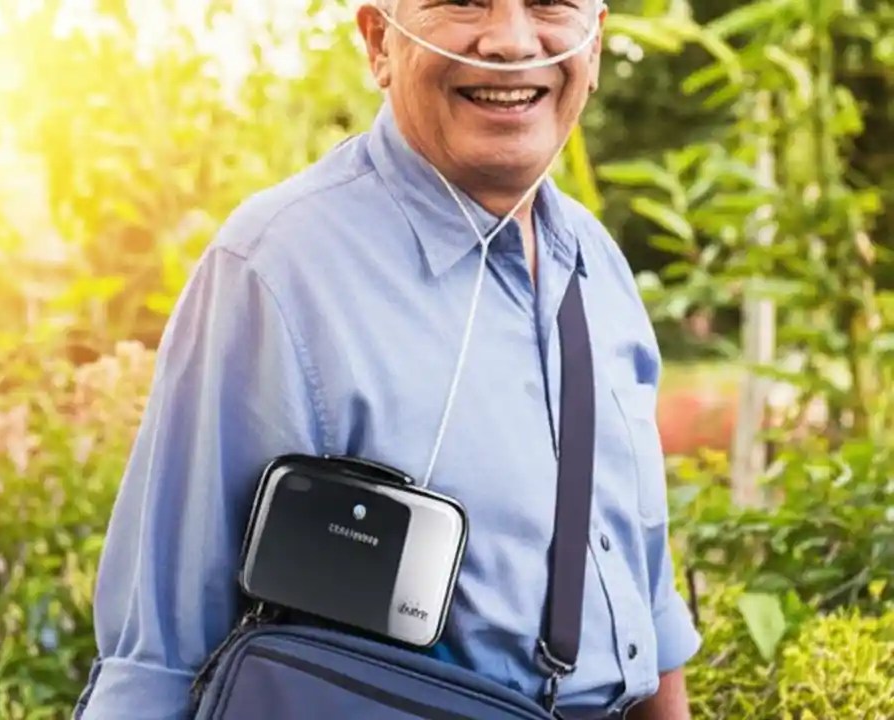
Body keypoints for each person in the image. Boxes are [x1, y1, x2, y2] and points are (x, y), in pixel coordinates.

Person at [73, 0, 701, 717]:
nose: (509, 39)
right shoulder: (279, 267)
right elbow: (158, 658)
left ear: (593, 44)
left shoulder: (597, 265)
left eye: (547, 3)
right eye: (462, 2)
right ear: (379, 43)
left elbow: (645, 610)